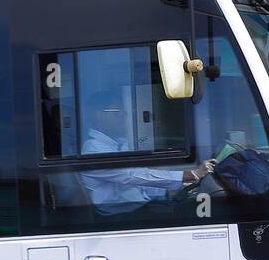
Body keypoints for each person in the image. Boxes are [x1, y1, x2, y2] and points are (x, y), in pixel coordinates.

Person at [78, 90, 217, 215]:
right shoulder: (94, 149)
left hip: (135, 206)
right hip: (119, 214)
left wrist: (168, 190)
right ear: (98, 115)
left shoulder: (118, 143)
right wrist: (190, 175)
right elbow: (132, 175)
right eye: (117, 112)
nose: (123, 117)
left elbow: (137, 181)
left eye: (124, 112)